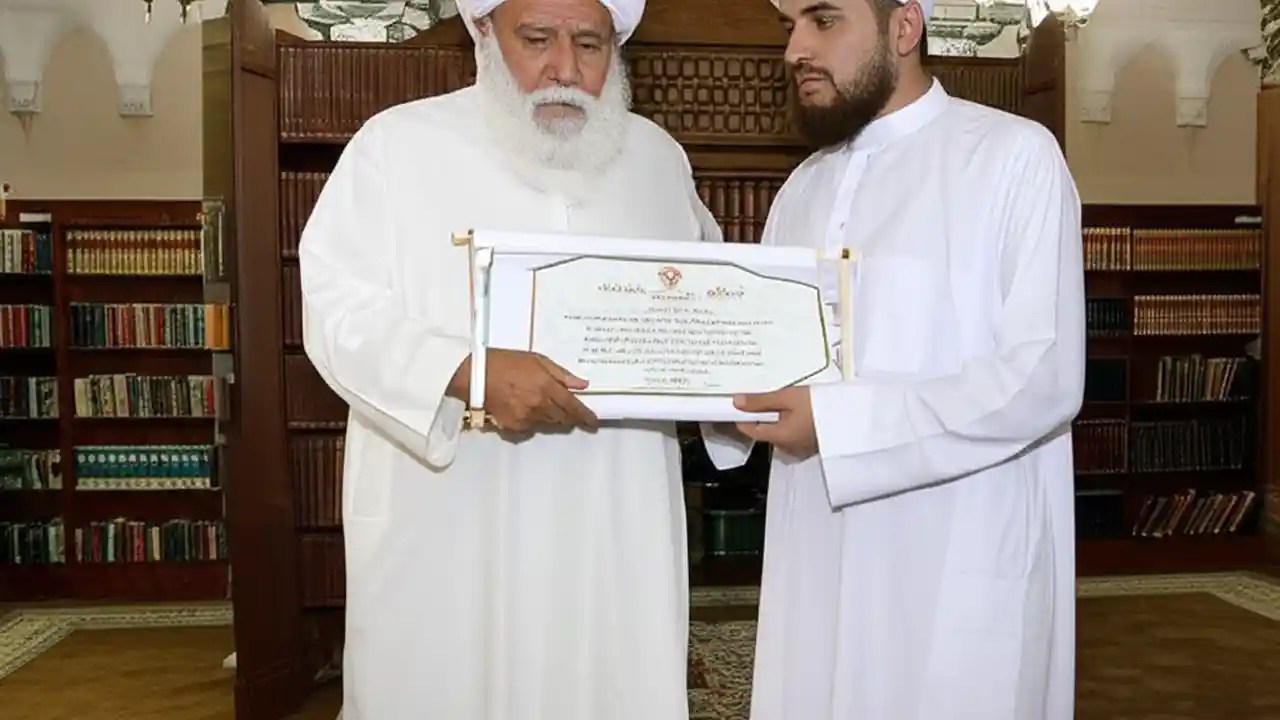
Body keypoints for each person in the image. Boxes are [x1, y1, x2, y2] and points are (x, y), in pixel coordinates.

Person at [298, 0, 722, 717]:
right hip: (453, 519)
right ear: (483, 33)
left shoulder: (656, 159)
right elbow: (336, 307)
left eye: (590, 44)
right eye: (538, 40)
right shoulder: (395, 148)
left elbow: (708, 302)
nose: (566, 68)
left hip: (613, 516)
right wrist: (470, 372)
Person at [701, 0, 1086, 718]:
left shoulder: (1013, 157)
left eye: (821, 20)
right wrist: (705, 394)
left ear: (903, 28)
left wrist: (840, 424)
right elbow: (767, 361)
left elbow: (1043, 377)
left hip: (955, 559)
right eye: (789, 27)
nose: (794, 51)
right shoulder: (803, 188)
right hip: (818, 552)